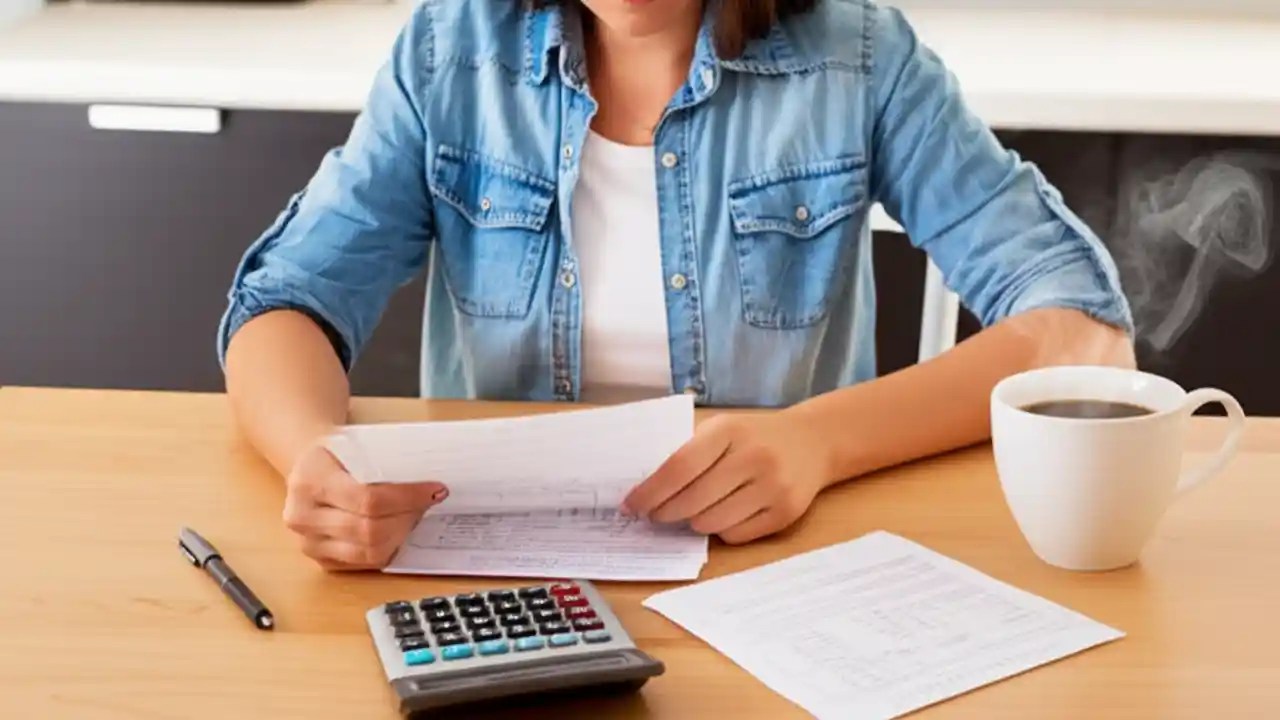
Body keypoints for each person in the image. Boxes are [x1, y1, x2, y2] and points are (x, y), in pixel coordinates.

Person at [219, 0, 1135, 570]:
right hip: (486, 569)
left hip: (782, 566)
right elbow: (285, 302)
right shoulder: (449, 51)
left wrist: (815, 442)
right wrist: (314, 459)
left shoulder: (858, 55)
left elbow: (1084, 331)